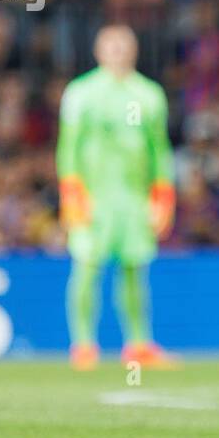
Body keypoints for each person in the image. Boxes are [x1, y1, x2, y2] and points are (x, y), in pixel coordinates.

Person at [56, 25, 178, 370]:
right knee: (86, 265)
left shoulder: (150, 94)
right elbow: (69, 146)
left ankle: (138, 344)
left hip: (134, 198)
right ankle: (82, 345)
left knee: (134, 268)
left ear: (134, 51)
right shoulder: (81, 93)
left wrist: (163, 193)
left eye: (124, 46)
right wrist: (71, 191)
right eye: (111, 47)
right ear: (99, 51)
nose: (118, 53)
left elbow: (160, 150)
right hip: (94, 196)